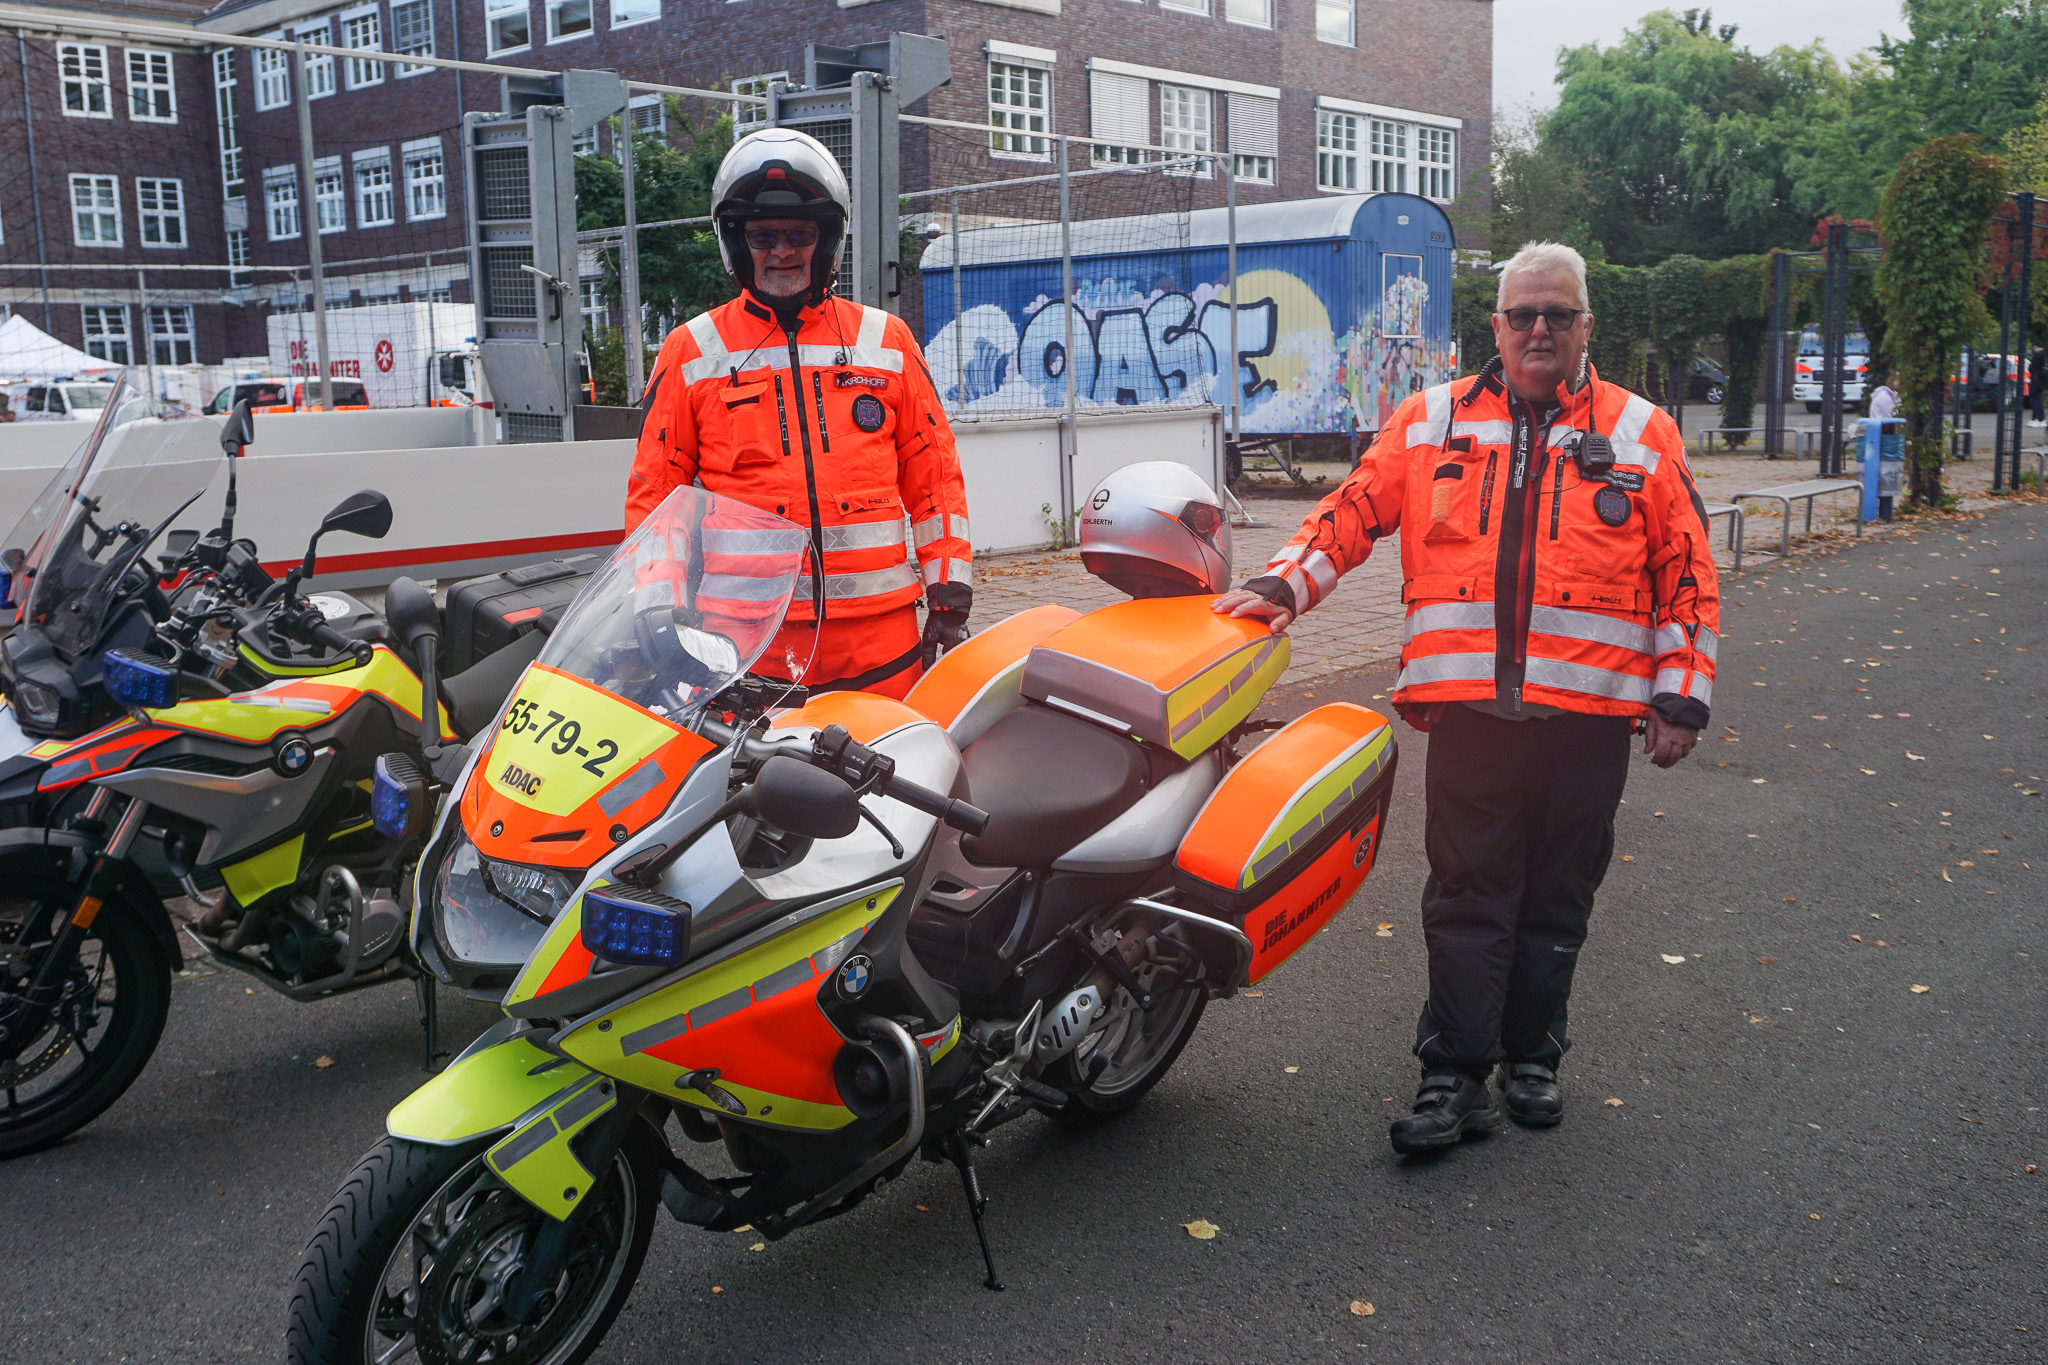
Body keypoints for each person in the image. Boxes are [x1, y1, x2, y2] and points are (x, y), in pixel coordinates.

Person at [1212, 241, 1720, 1156]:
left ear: (1585, 326)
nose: (1538, 330)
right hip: (1472, 716)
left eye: (1556, 315)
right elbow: (1353, 510)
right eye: (1522, 314)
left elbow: (1685, 566)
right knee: (1466, 900)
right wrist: (1286, 581)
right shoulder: (1432, 420)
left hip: (1588, 719)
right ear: (1496, 325)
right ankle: (1453, 1077)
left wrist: (1680, 696)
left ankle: (1533, 1058)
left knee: (1557, 900)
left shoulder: (1643, 432)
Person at [628, 128, 972, 700]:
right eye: (762, 236)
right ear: (736, 243)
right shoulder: (691, 351)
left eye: (799, 234)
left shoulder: (886, 340)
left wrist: (950, 592)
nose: (781, 251)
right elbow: (657, 495)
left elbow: (934, 475)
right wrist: (657, 607)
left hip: (879, 640)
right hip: (746, 644)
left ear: (827, 239)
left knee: (896, 756)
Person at [2029, 346, 2044, 425]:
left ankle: (2038, 417)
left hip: (2036, 381)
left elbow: (2032, 368)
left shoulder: (2037, 356)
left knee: (2036, 399)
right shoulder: (2041, 356)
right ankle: (2038, 417)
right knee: (2037, 399)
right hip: (2038, 381)